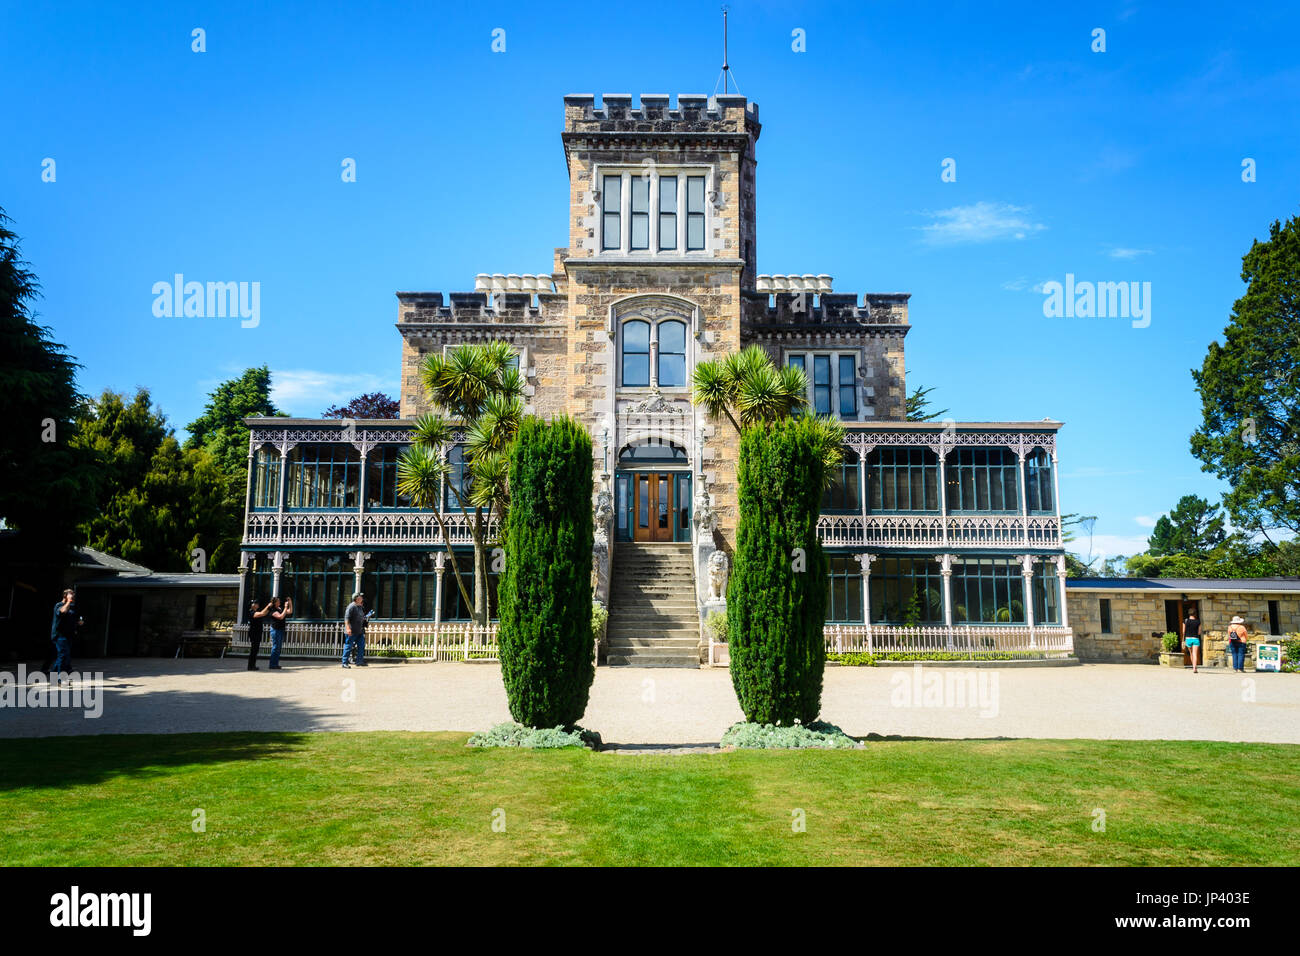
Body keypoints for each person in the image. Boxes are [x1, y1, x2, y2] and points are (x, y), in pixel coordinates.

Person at [52, 589, 82, 683]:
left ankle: (54, 675)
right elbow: (62, 612)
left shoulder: (73, 607)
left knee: (64, 656)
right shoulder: (59, 605)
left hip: (69, 635)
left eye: (73, 595)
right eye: (71, 595)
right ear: (65, 596)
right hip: (59, 635)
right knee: (63, 656)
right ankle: (60, 679)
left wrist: (78, 622)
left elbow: (75, 619)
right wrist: (68, 602)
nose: (73, 596)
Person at [246, 598, 273, 670]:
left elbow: (264, 613)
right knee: (254, 650)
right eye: (255, 603)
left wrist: (269, 608)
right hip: (254, 633)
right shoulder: (251, 612)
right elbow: (262, 613)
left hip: (257, 632)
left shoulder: (256, 611)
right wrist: (268, 606)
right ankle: (250, 666)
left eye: (257, 603)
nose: (257, 604)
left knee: (255, 650)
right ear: (252, 605)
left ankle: (252, 665)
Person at [343, 592, 368, 668]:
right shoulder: (351, 607)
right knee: (348, 646)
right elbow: (346, 618)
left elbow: (361, 617)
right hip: (352, 631)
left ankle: (359, 661)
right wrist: (348, 628)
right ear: (356, 598)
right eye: (360, 597)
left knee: (361, 645)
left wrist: (365, 618)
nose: (362, 598)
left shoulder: (360, 607)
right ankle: (344, 663)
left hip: (359, 631)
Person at [268, 596, 292, 670]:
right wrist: (285, 607)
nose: (279, 602)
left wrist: (290, 603)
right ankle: (272, 664)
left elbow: (290, 611)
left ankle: (276, 664)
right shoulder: (273, 610)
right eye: (278, 601)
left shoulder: (280, 609)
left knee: (278, 648)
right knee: (275, 647)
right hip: (275, 630)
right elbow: (281, 617)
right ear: (275, 603)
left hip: (281, 629)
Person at [1183, 608, 1202, 673]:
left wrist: (1183, 639)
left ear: (1189, 613)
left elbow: (1183, 631)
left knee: (1191, 653)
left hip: (1188, 639)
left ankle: (1193, 666)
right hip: (1196, 639)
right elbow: (1199, 633)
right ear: (1195, 614)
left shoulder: (1185, 621)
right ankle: (1195, 668)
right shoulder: (1198, 621)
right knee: (1195, 654)